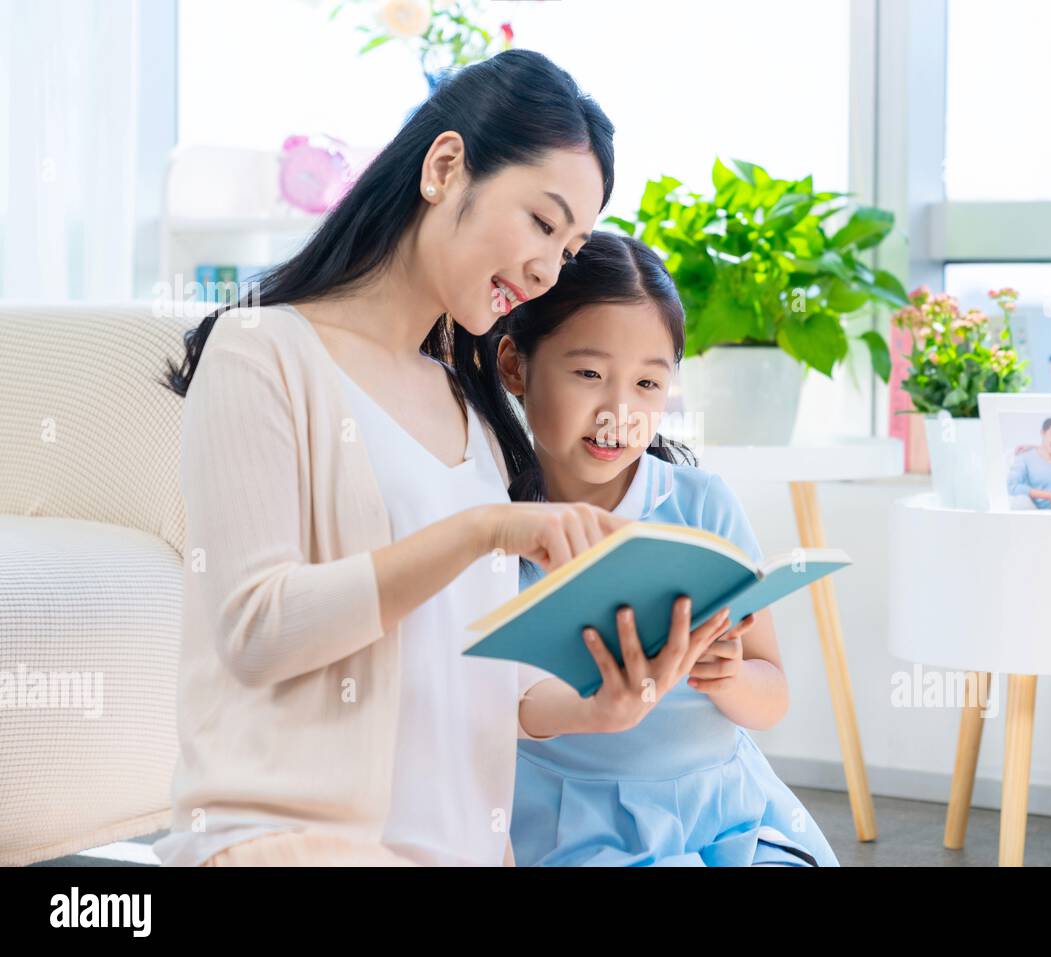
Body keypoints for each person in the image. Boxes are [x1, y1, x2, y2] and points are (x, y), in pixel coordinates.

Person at [153, 50, 723, 867]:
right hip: (288, 843)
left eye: (569, 248)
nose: (546, 267)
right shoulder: (260, 352)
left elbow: (496, 681)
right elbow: (258, 628)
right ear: (446, 166)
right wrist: (481, 531)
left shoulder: (472, 409)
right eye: (541, 221)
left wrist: (604, 704)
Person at [496, 231, 840, 866]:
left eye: (648, 385)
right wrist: (603, 706)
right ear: (516, 365)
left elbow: (772, 694)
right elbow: (496, 708)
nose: (618, 411)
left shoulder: (701, 504)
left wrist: (730, 678)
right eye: (589, 374)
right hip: (579, 820)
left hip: (725, 809)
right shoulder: (496, 522)